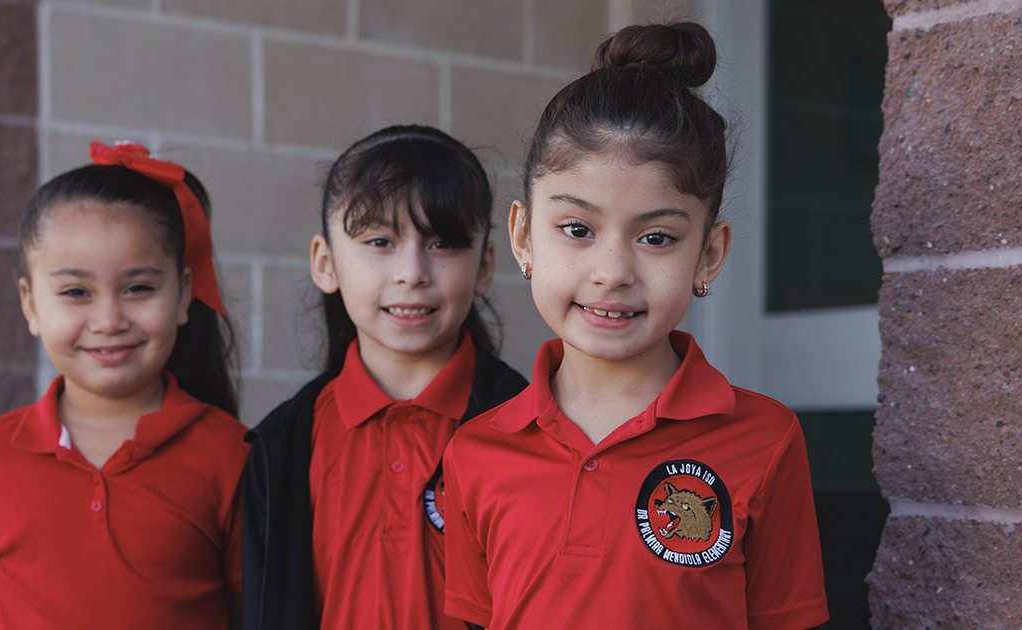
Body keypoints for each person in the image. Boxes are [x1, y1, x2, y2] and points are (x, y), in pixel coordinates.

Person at [442, 23, 829, 630]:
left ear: (708, 255)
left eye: (657, 238)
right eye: (577, 229)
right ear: (522, 236)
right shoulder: (476, 450)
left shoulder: (766, 439)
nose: (613, 272)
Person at [0, 141, 247, 629]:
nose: (108, 320)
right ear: (30, 305)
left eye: (138, 288)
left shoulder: (234, 455)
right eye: (75, 292)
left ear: (183, 294)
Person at [242, 125, 528, 630]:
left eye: (442, 243)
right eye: (380, 241)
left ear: (485, 266)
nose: (411, 272)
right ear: (325, 264)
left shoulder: (531, 430)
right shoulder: (282, 447)